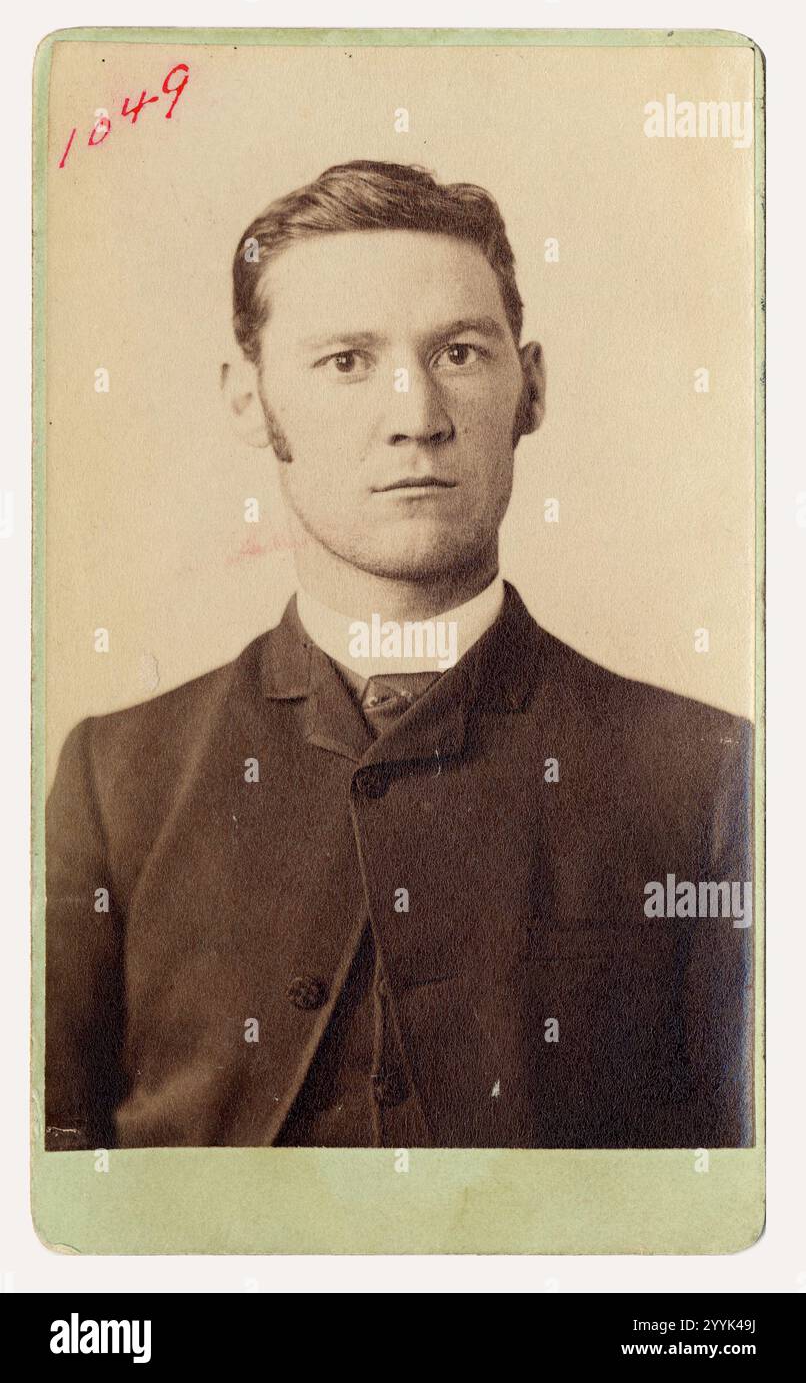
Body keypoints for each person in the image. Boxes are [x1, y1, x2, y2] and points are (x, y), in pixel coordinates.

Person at [44, 160, 754, 1151]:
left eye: (459, 352)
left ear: (531, 387)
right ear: (249, 401)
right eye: (345, 361)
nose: (414, 413)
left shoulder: (707, 773)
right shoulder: (115, 779)